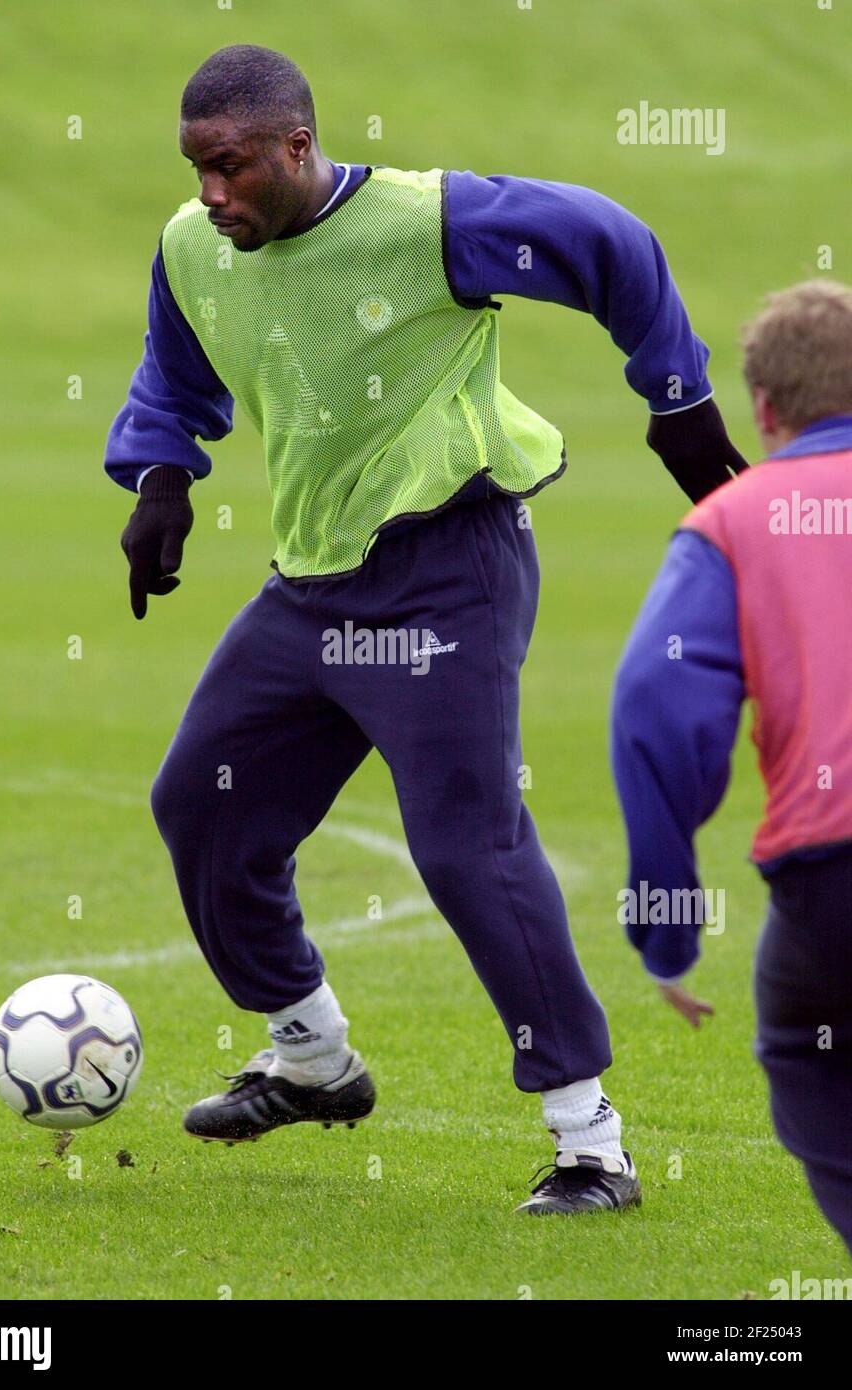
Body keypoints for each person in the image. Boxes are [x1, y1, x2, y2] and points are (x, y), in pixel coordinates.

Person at [105, 44, 747, 1217]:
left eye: (232, 167)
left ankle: (589, 1141)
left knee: (464, 845)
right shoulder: (195, 247)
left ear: (299, 148)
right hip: (310, 587)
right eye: (197, 168)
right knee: (202, 804)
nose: (212, 194)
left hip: (447, 574)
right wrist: (161, 478)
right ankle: (311, 1057)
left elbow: (612, 244)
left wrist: (679, 399)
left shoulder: (430, 222)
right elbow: (175, 368)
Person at [611, 279, 852, 1251]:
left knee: (811, 1053)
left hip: (832, 875)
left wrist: (667, 929)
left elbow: (655, 715)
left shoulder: (735, 520)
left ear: (761, 407)